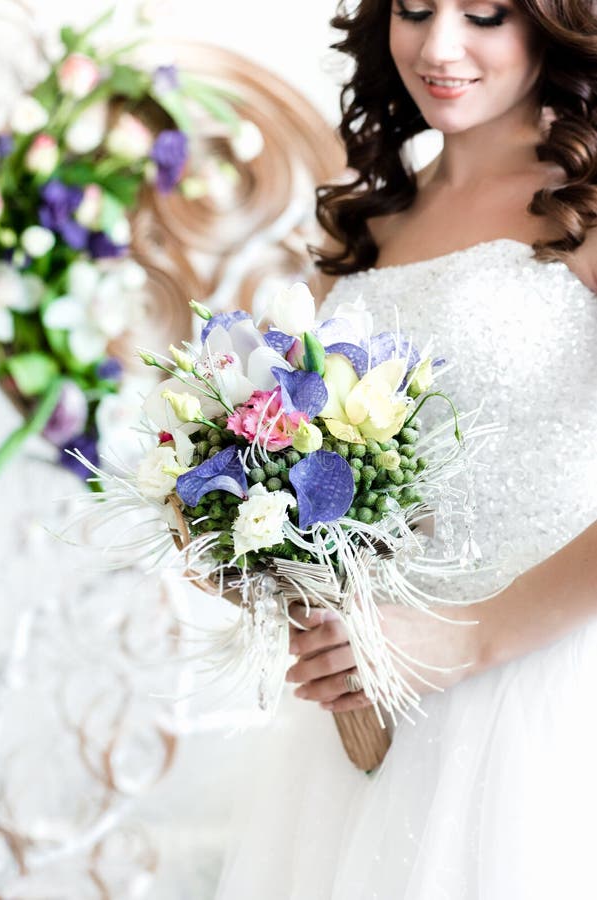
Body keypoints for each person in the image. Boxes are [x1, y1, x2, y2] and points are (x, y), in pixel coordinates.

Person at [215, 1, 597, 897]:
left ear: (551, 23)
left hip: (545, 682)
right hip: (376, 697)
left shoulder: (584, 201)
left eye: (485, 14)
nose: (438, 46)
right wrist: (248, 551)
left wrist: (468, 638)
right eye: (414, 9)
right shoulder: (373, 221)